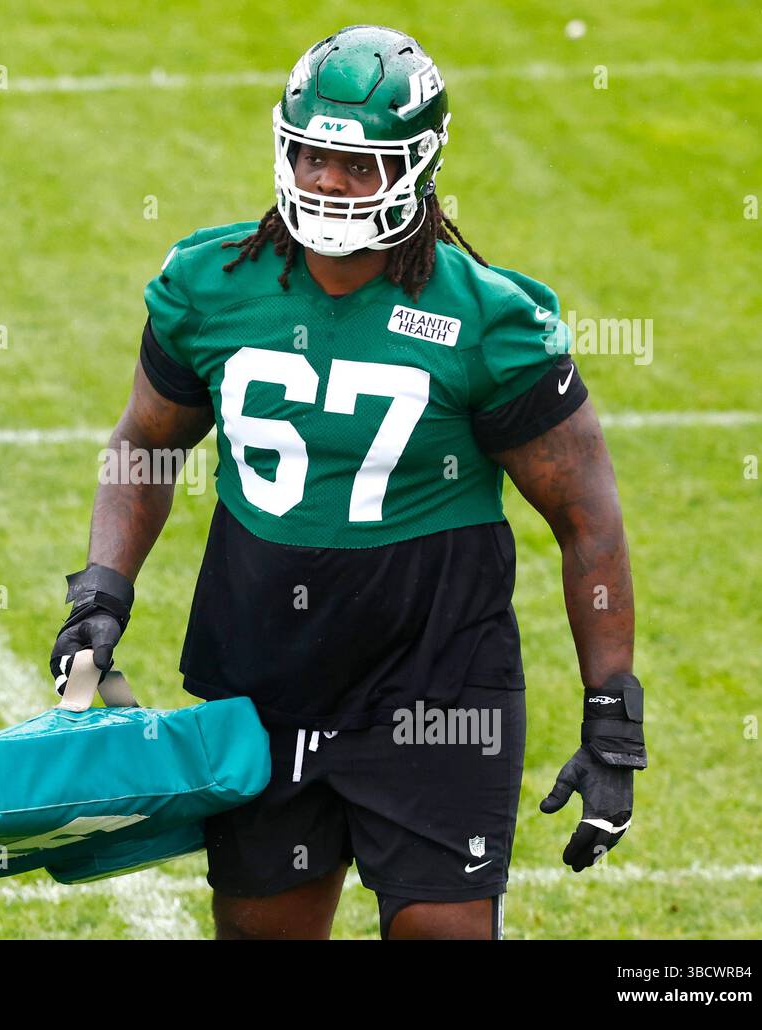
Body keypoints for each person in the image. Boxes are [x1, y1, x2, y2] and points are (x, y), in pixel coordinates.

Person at [50, 24, 647, 940]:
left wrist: (612, 714)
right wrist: (102, 590)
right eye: (314, 154)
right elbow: (145, 443)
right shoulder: (210, 286)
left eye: (357, 164)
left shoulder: (490, 321)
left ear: (418, 167)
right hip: (265, 677)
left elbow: (588, 522)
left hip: (438, 685)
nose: (328, 181)